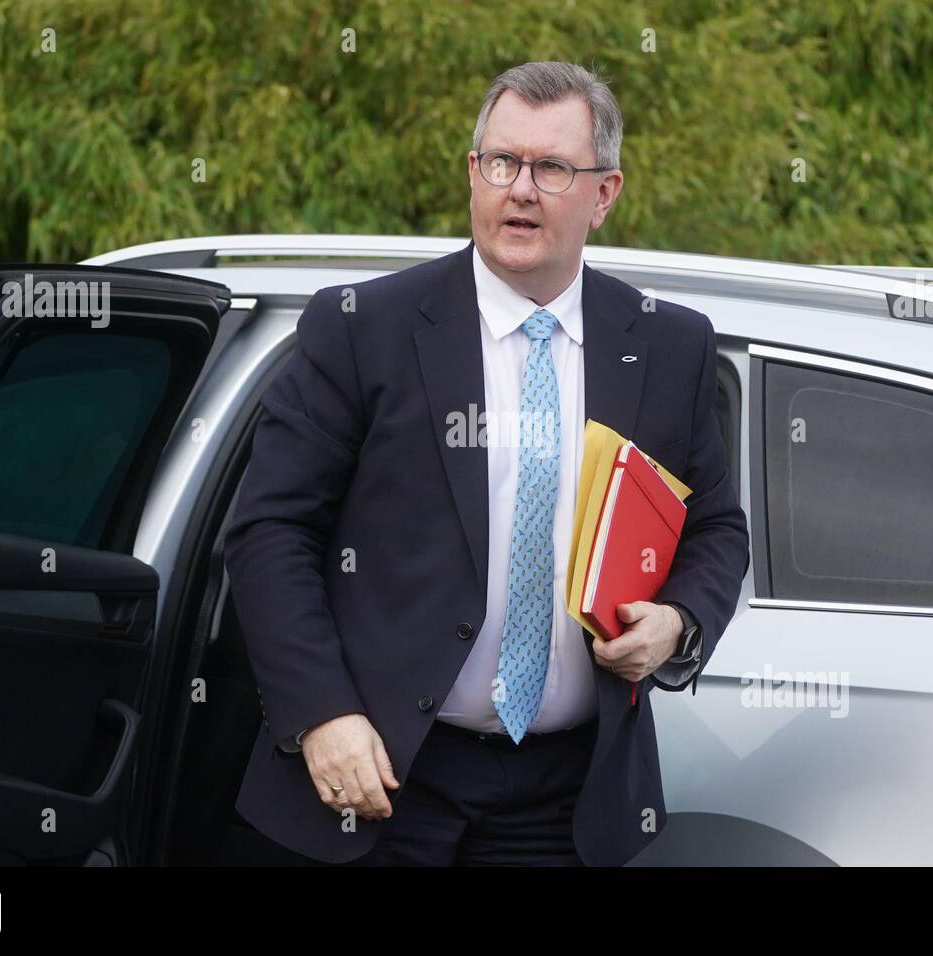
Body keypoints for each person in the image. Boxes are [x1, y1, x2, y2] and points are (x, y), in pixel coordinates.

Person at [224, 59, 749, 866]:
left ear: (604, 194)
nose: (521, 190)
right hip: (382, 782)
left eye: (551, 168)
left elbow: (716, 527)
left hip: (568, 799)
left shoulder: (669, 346)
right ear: (474, 173)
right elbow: (268, 532)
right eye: (502, 163)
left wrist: (679, 621)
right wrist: (321, 716)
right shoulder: (366, 327)